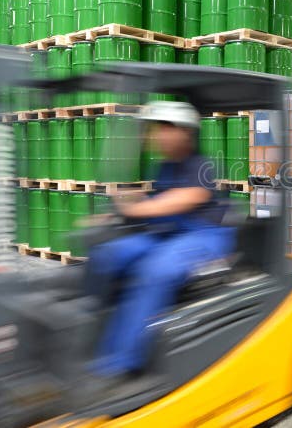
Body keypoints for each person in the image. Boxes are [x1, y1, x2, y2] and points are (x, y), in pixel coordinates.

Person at [85, 101, 236, 378]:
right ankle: (90, 336)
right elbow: (155, 199)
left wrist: (134, 208)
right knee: (108, 254)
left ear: (185, 133)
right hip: (169, 233)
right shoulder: (166, 167)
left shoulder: (200, 165)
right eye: (157, 129)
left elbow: (187, 197)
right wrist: (114, 212)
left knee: (154, 270)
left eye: (165, 129)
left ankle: (120, 363)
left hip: (204, 236)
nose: (158, 136)